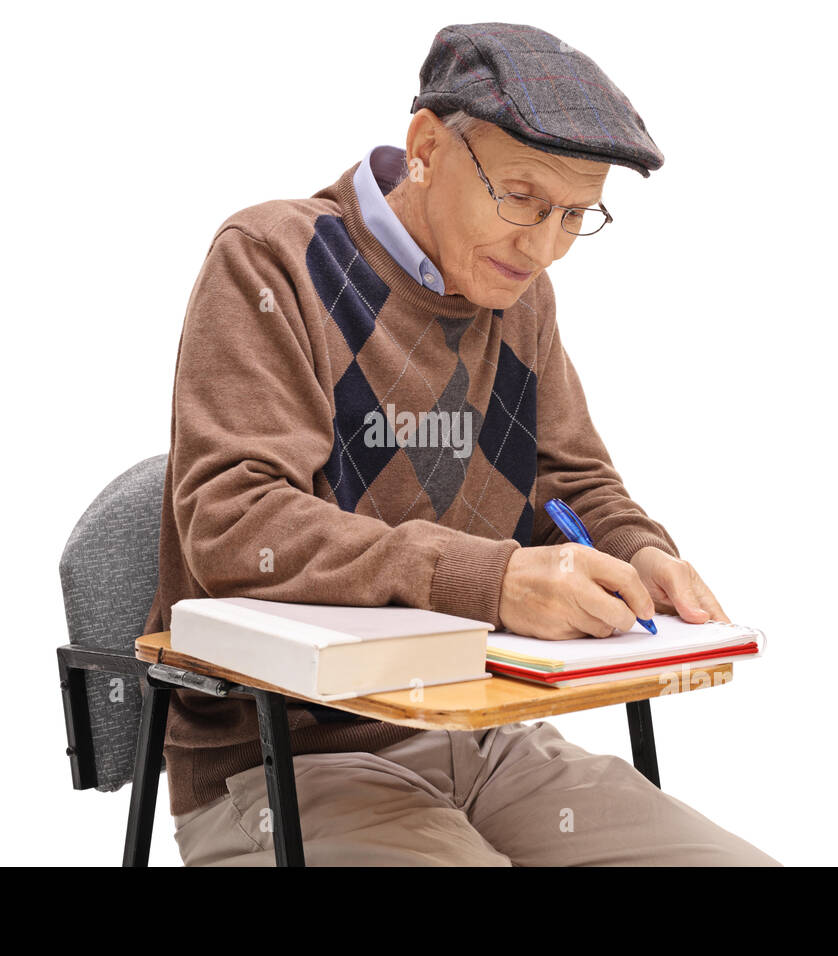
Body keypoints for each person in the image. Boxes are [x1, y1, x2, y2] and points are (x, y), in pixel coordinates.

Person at [141, 20, 781, 866]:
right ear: (426, 149)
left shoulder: (520, 295)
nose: (543, 245)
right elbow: (235, 522)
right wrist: (490, 578)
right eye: (522, 198)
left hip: (484, 734)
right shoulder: (272, 263)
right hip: (288, 761)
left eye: (574, 216)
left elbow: (567, 485)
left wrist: (637, 553)